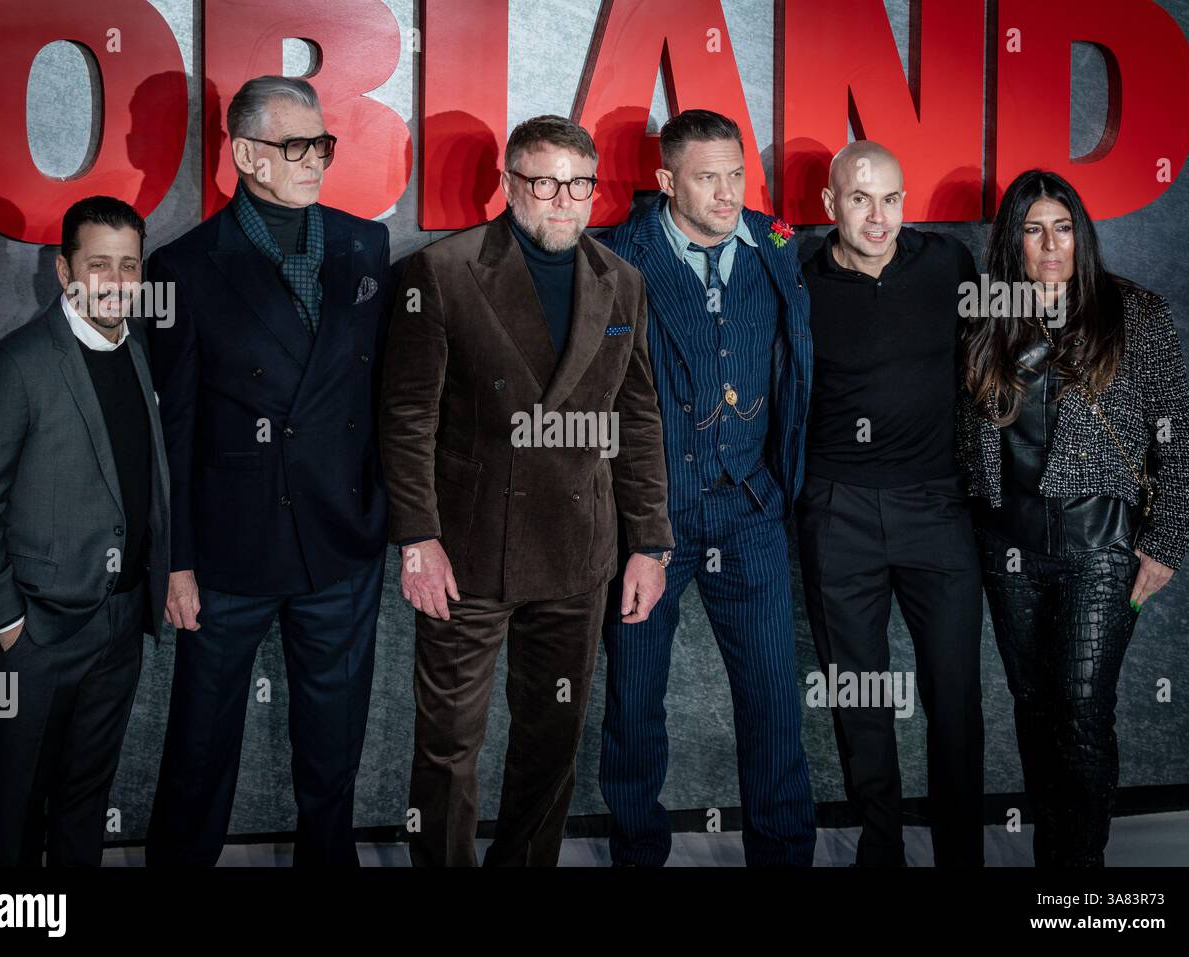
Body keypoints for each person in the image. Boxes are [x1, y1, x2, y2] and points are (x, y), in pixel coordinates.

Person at [380, 115, 673, 866]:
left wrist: (650, 543)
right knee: (448, 743)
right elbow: (407, 418)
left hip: (578, 553)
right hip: (468, 553)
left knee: (553, 739)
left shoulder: (622, 281)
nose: (562, 202)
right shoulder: (441, 272)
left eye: (578, 185)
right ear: (509, 185)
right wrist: (418, 540)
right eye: (543, 183)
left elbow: (636, 422)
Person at [144, 75, 393, 866]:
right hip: (227, 553)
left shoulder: (367, 244)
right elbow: (172, 428)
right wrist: (176, 560)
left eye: (322, 142)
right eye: (296, 145)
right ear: (245, 153)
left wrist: (384, 516)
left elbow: (385, 395)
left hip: (338, 544)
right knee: (199, 746)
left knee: (333, 749)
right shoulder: (182, 267)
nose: (315, 157)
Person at [958, 169, 1189, 867]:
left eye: (1062, 227)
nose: (1051, 244)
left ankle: (1079, 875)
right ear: (1014, 240)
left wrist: (1165, 542)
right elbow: (967, 426)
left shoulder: (1133, 311)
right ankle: (1053, 862)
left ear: (1081, 233)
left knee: (1083, 704)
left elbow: (1175, 433)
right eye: (1034, 230)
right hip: (1009, 547)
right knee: (1034, 708)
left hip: (1102, 544)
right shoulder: (985, 314)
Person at [596, 109, 816, 867]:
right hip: (650, 520)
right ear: (665, 182)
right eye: (706, 177)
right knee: (633, 700)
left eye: (736, 174)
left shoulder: (778, 242)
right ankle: (635, 853)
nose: (728, 194)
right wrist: (637, 528)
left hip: (750, 508)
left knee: (773, 703)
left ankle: (784, 857)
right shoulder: (616, 257)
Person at [0, 196, 170, 866]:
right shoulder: (14, 365)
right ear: (63, 269)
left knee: (85, 793)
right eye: (98, 264)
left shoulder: (136, 352)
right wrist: (8, 624)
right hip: (40, 629)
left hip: (121, 618)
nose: (115, 280)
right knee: (23, 798)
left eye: (128, 266)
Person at [797, 140, 985, 867]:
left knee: (955, 695)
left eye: (892, 199)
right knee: (860, 697)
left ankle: (960, 854)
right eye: (860, 198)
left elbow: (995, 359)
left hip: (936, 507)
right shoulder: (798, 273)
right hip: (837, 509)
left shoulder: (948, 264)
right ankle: (881, 849)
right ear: (830, 204)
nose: (879, 217)